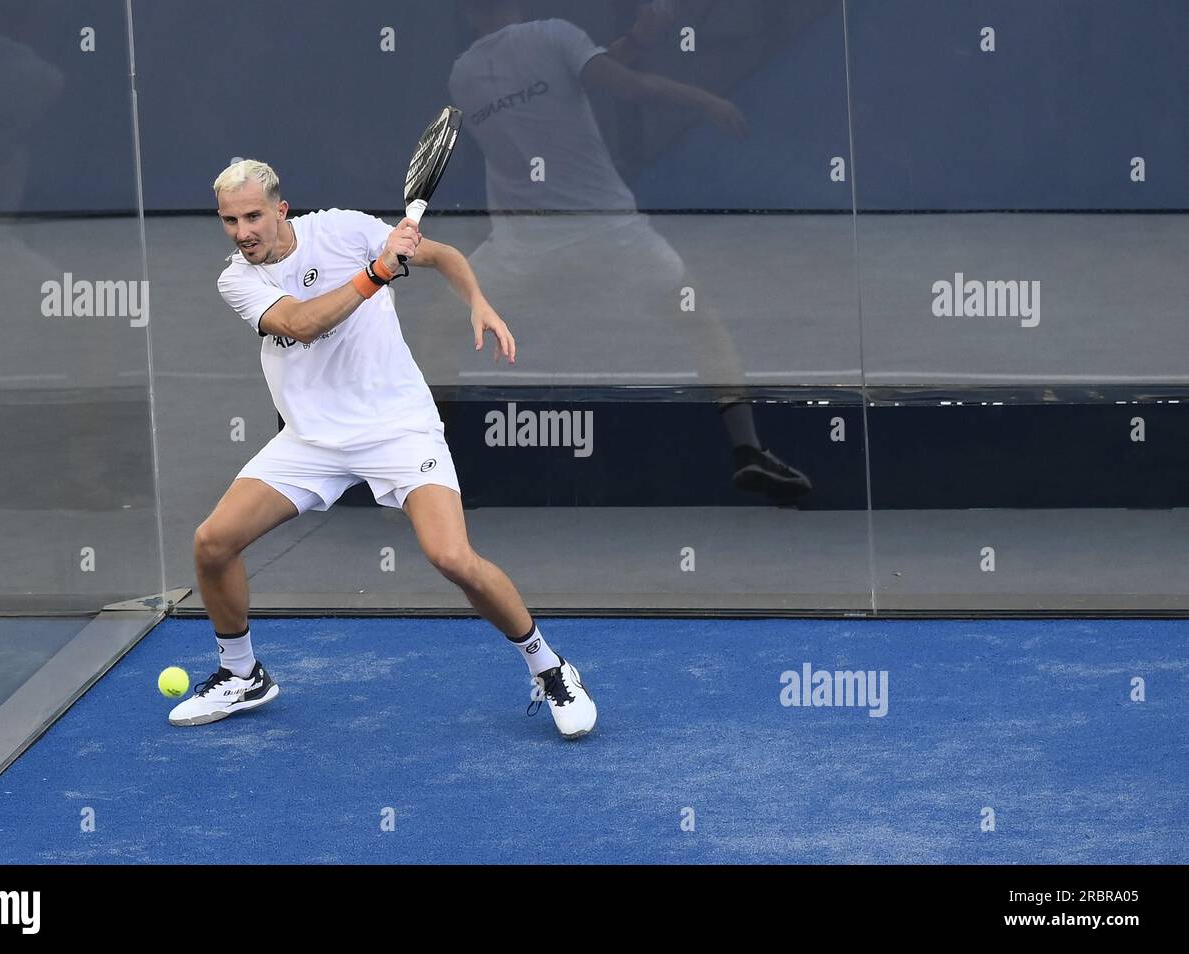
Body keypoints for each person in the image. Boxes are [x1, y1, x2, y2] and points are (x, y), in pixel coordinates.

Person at [166, 160, 596, 739]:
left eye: (252, 216)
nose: (242, 231)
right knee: (213, 543)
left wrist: (477, 300)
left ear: (280, 210)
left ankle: (548, 667)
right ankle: (242, 674)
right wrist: (375, 272)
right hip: (311, 438)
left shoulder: (342, 229)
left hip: (398, 428)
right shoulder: (237, 280)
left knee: (451, 558)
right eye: (229, 221)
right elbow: (302, 323)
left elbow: (441, 255)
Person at [449, 0, 812, 499]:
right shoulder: (554, 36)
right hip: (611, 235)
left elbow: (562, 77)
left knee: (441, 327)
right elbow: (623, 84)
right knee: (700, 319)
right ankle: (747, 448)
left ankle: (426, 469)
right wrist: (707, 101)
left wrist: (637, 39)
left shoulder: (463, 76)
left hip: (520, 251)